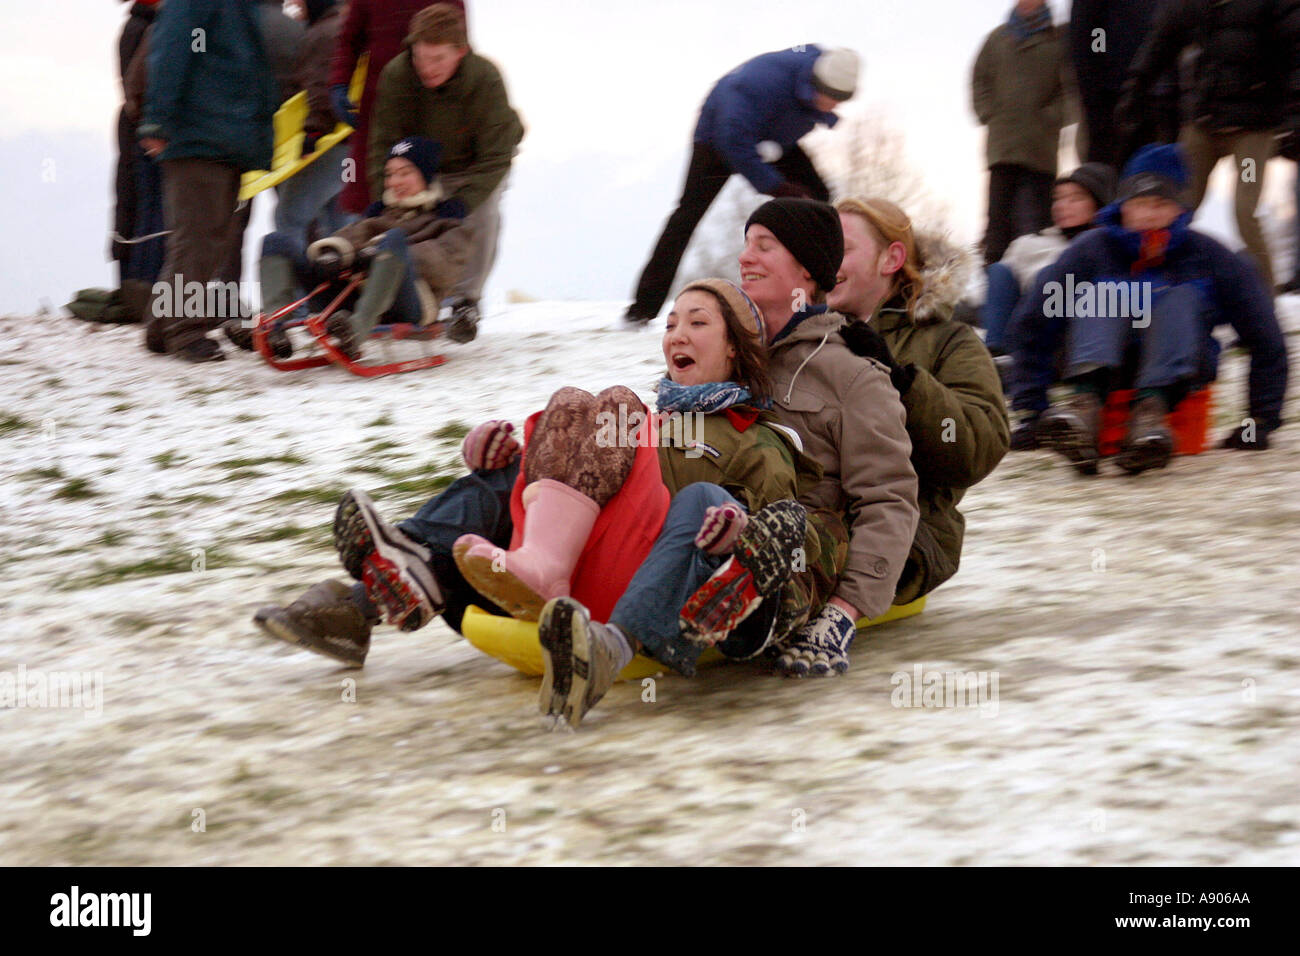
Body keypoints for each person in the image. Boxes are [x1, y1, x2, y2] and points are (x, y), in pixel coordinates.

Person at [255, 281, 814, 711]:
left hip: (658, 586)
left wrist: (738, 529)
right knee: (523, 462)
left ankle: (602, 640)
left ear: (737, 351)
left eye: (698, 323)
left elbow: (779, 540)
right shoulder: (648, 420)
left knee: (680, 478)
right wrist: (497, 459)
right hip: (582, 567)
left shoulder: (757, 441)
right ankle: (372, 599)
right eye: (670, 324)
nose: (676, 335)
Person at [1007, 144, 1289, 476]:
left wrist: (1260, 421)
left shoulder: (1208, 256)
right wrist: (1031, 412)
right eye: (1139, 203)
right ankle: (1084, 414)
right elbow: (1032, 325)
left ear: (1179, 210)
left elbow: (1265, 334)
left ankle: (1150, 420)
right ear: (1123, 206)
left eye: (1161, 204)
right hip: (1099, 374)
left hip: (1178, 383)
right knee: (1106, 293)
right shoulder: (1091, 251)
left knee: (1179, 299)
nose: (1149, 215)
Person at [732, 198, 921, 677]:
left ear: (806, 269)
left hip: (787, 563)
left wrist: (842, 612)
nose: (745, 258)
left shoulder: (853, 377)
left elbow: (889, 498)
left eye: (764, 246)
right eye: (746, 244)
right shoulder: (725, 358)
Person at [823, 197, 1009, 618]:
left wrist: (902, 383)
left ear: (891, 258)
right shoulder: (802, 335)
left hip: (908, 535)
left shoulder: (948, 341)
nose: (827, 260)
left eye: (843, 249)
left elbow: (977, 447)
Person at [623, 45, 860, 324]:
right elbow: (733, 143)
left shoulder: (820, 66)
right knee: (685, 218)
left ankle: (816, 294)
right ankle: (641, 311)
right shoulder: (757, 87)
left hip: (773, 137)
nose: (834, 107)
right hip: (717, 140)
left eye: (840, 100)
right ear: (816, 85)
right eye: (831, 99)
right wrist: (777, 187)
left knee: (818, 200)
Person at [1116, 0, 1300, 291]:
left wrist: (1294, 114)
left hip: (1253, 130)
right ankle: (1155, 286)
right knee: (1175, 205)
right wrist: (1135, 91)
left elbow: (1296, 49)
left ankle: (1265, 302)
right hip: (1204, 122)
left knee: (1244, 210)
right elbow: (1160, 41)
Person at [367, 3, 522, 342]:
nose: (427, 67)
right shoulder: (398, 75)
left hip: (477, 162)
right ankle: (412, 297)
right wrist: (383, 194)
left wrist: (464, 201)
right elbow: (383, 143)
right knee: (409, 218)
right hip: (424, 162)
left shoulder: (485, 78)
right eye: (422, 57)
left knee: (481, 214)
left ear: (461, 52)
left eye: (438, 59)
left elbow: (496, 158)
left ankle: (467, 301)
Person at [235, 136, 470, 358]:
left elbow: (441, 267)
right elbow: (344, 238)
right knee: (276, 241)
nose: (394, 182)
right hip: (351, 299)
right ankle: (275, 326)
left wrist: (382, 253)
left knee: (394, 239)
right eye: (390, 174)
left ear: (426, 177)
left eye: (404, 173)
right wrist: (334, 254)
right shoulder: (377, 216)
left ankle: (356, 333)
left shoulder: (447, 222)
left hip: (409, 304)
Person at [139, 0, 279, 362]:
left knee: (208, 239)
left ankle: (162, 324)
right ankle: (185, 332)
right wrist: (157, 119)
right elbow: (172, 50)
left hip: (220, 138)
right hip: (198, 138)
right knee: (198, 240)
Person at [328, 0, 468, 216]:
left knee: (430, 195)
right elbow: (348, 40)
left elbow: (458, 48)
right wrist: (339, 83)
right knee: (364, 191)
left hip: (432, 106)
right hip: (377, 105)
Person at [972, 0, 1073, 265]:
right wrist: (988, 113)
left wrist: (1053, 117)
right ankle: (990, 279)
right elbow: (979, 79)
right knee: (997, 224)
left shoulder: (1060, 40)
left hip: (1041, 149)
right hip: (1002, 146)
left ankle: (1032, 289)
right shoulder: (996, 39)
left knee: (1034, 226)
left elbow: (1072, 90)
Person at [1068, 0, 1180, 170]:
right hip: (1111, 101)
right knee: (1107, 177)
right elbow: (1091, 36)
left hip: (1158, 101)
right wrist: (1096, 97)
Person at [112, 0, 161, 321]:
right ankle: (141, 291)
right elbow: (138, 85)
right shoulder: (142, 27)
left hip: (140, 126)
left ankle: (139, 289)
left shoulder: (140, 25)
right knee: (146, 206)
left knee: (141, 205)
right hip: (143, 129)